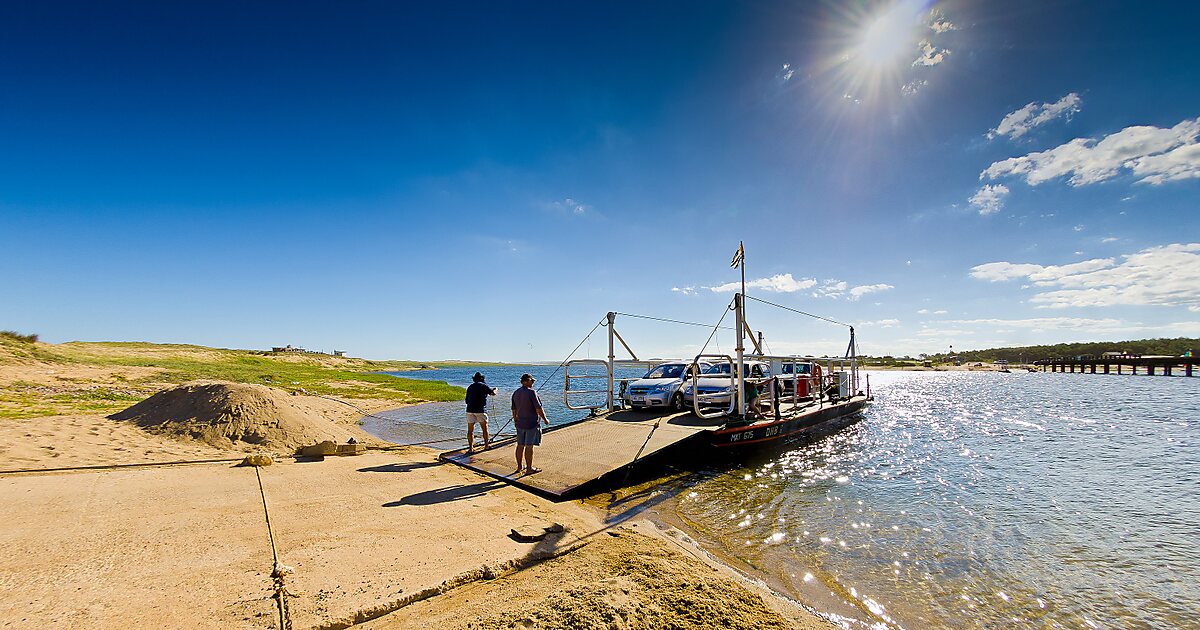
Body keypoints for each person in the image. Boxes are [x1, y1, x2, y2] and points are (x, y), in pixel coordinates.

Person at [511, 373, 549, 474]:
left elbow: (513, 410)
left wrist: (515, 420)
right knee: (529, 446)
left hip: (520, 423)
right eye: (532, 381)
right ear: (527, 380)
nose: (533, 383)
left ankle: (519, 467)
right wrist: (545, 419)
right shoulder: (532, 393)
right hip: (531, 423)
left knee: (520, 445)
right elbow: (538, 408)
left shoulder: (515, 393)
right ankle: (529, 469)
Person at [464, 372, 496, 452]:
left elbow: (466, 401)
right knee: (484, 429)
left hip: (470, 410)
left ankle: (471, 449)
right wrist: (496, 390)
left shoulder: (470, 387)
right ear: (482, 378)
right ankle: (486, 446)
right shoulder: (483, 385)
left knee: (470, 430)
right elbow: (493, 393)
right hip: (480, 410)